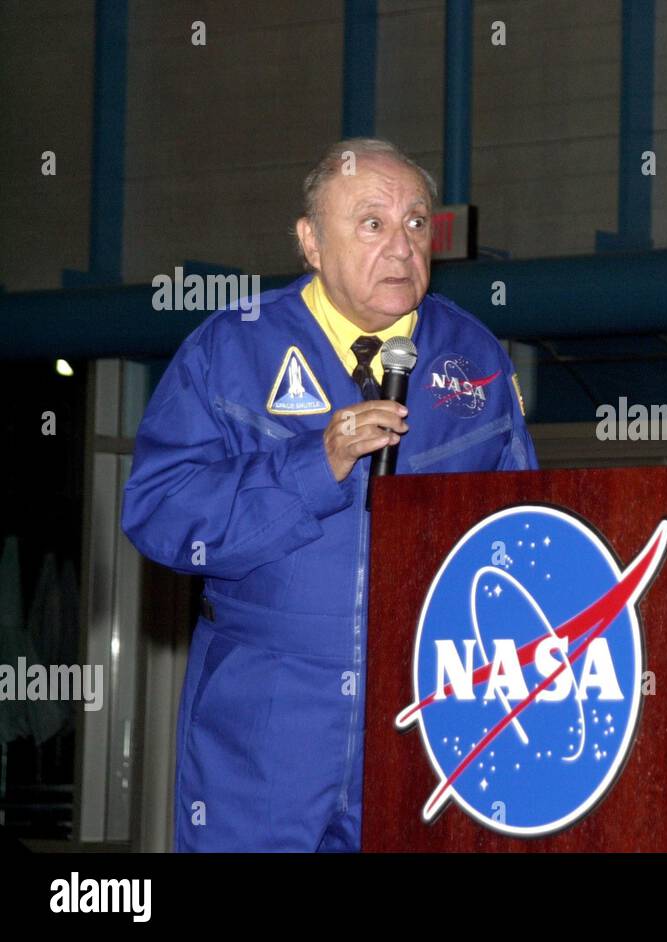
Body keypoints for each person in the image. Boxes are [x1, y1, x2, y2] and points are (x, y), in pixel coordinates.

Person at [122, 138, 537, 852]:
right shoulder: (231, 349)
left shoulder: (476, 361)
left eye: (416, 223)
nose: (403, 245)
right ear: (311, 243)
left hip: (424, 716)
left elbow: (526, 537)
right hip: (267, 723)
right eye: (372, 223)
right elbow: (160, 513)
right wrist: (313, 464)